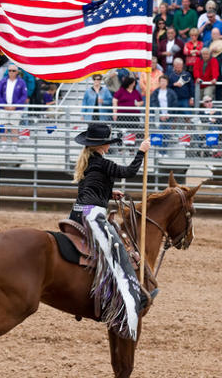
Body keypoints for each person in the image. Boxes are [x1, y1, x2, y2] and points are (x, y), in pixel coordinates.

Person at [69, 122, 153, 341]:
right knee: (116, 255)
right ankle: (123, 298)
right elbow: (130, 172)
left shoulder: (89, 163)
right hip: (92, 215)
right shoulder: (102, 163)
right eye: (108, 143)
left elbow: (90, 189)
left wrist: (108, 193)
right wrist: (141, 152)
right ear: (102, 145)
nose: (109, 146)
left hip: (79, 212)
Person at [0, 64, 28, 151]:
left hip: (16, 108)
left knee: (14, 126)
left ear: (17, 72)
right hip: (4, 108)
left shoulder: (21, 82)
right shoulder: (3, 81)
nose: (11, 72)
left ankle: (14, 145)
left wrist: (15, 106)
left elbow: (24, 96)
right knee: (3, 127)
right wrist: (3, 105)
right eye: (10, 70)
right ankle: (3, 144)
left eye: (13, 71)